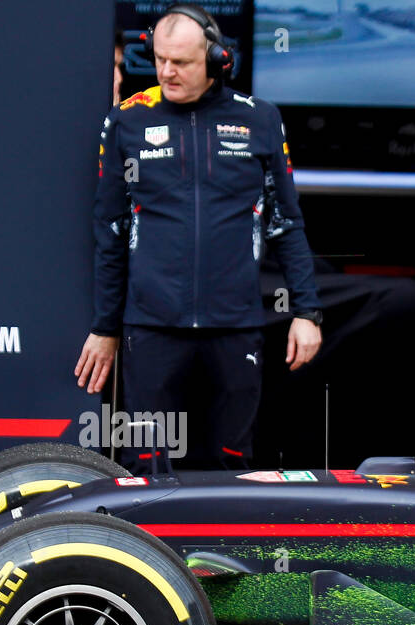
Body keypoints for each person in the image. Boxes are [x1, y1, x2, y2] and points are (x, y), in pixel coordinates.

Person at [76, 4, 322, 470]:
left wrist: (307, 311)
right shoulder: (127, 120)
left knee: (233, 463)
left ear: (216, 59)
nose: (167, 71)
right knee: (146, 463)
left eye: (182, 62)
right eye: (160, 59)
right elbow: (109, 231)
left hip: (235, 328)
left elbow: (287, 223)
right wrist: (106, 326)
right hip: (150, 329)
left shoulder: (260, 120)